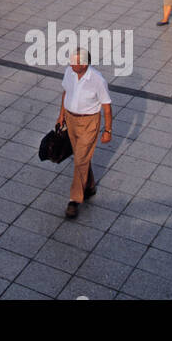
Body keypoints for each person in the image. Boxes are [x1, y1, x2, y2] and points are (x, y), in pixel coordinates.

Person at [56, 48, 112, 219]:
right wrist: (61, 116)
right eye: (72, 61)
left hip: (89, 122)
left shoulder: (97, 80)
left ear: (85, 64)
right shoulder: (69, 72)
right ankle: (89, 186)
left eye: (76, 62)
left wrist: (107, 130)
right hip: (71, 121)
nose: (72, 64)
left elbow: (107, 108)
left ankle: (74, 200)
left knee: (80, 159)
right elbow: (66, 93)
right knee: (82, 157)